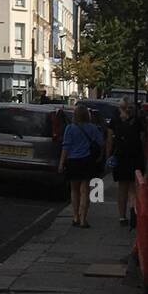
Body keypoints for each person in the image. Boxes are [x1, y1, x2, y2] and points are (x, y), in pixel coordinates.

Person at [59, 105, 104, 229]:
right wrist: (99, 157)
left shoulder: (70, 128)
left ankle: (75, 217)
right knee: (85, 191)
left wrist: (61, 163)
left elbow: (66, 146)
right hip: (87, 161)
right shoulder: (93, 128)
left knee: (74, 190)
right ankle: (83, 219)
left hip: (73, 161)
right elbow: (101, 143)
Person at [107, 98, 145, 227]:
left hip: (120, 157)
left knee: (122, 188)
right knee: (134, 188)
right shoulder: (138, 121)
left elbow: (109, 140)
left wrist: (108, 156)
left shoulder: (115, 120)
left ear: (120, 108)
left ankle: (122, 217)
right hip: (136, 157)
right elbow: (143, 139)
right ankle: (134, 213)